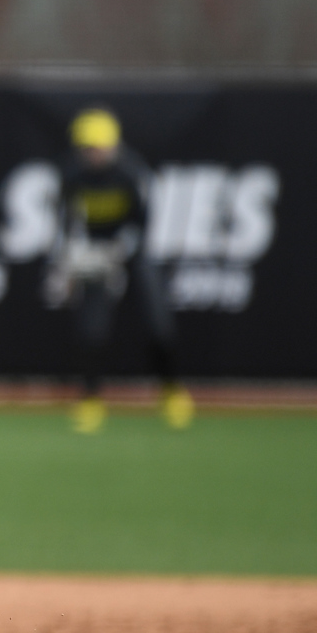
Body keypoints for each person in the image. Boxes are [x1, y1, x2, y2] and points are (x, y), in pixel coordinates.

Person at [53, 107, 194, 433]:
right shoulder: (72, 175)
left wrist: (122, 248)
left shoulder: (131, 174)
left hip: (131, 251)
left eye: (99, 145)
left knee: (158, 324)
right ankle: (90, 400)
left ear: (114, 144)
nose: (94, 152)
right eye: (88, 146)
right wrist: (75, 252)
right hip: (96, 253)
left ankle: (171, 392)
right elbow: (66, 218)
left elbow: (144, 223)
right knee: (91, 330)